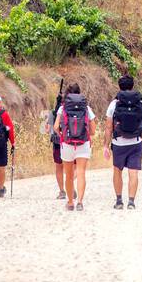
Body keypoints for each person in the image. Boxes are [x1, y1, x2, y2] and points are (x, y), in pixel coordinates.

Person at [104, 74, 142, 210]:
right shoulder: (139, 103)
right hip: (136, 142)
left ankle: (119, 201)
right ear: (132, 86)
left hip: (118, 143)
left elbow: (108, 126)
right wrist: (140, 136)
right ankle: (131, 202)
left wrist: (106, 144)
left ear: (119, 87)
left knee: (117, 171)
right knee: (133, 172)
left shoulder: (114, 104)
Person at [53, 82, 95, 212]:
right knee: (81, 173)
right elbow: (93, 130)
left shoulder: (63, 108)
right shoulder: (86, 108)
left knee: (69, 175)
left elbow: (55, 127)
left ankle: (70, 202)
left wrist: (62, 136)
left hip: (67, 144)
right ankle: (80, 202)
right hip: (83, 144)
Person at [42, 80, 67, 200]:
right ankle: (71, 185)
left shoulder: (53, 113)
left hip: (57, 142)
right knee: (72, 167)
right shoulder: (71, 111)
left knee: (59, 167)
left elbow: (46, 130)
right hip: (70, 142)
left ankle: (62, 191)